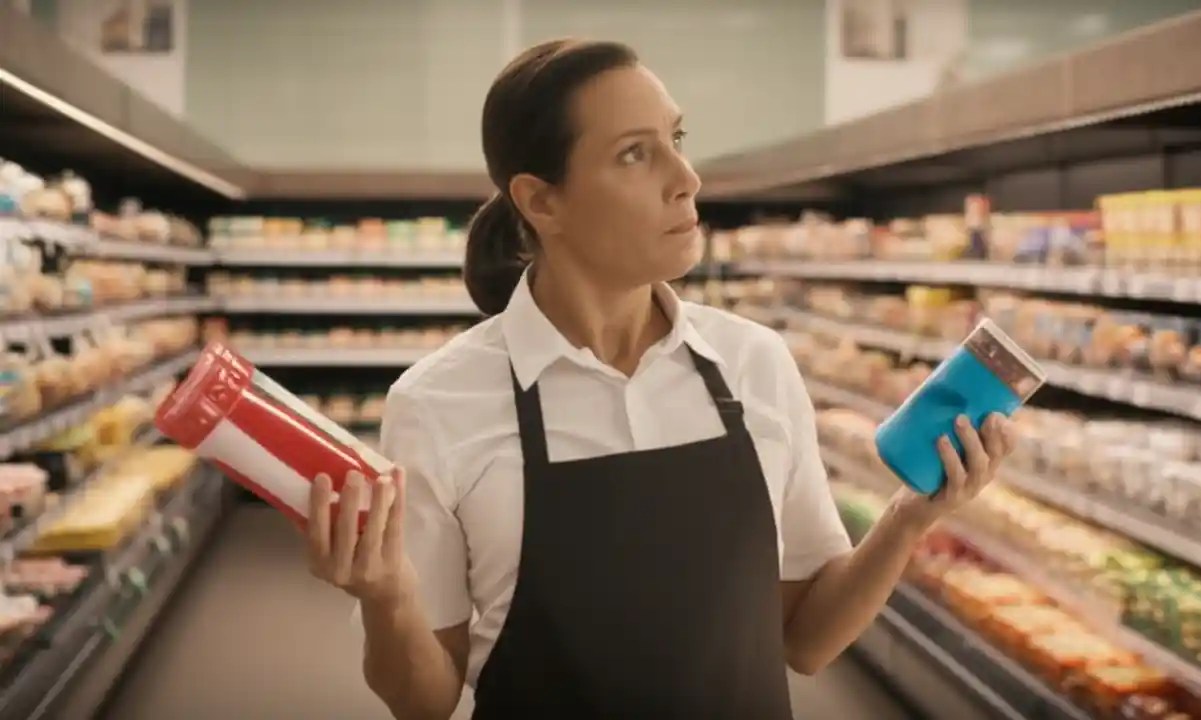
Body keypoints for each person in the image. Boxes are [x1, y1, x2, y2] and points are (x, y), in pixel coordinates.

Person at [305, 38, 1017, 719]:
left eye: (676, 140)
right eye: (634, 155)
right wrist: (387, 596)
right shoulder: (437, 404)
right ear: (541, 201)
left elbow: (806, 639)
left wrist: (909, 517)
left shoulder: (753, 364)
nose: (688, 180)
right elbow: (422, 702)